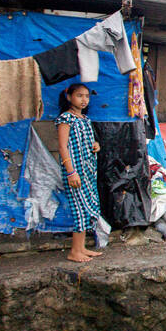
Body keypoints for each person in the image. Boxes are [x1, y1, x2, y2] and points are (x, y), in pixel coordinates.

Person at [56, 83, 102, 263]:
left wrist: (95, 146)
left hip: (88, 170)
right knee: (79, 209)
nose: (84, 100)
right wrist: (70, 171)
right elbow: (62, 146)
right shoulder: (65, 119)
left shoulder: (84, 119)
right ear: (69, 97)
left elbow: (88, 142)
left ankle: (81, 247)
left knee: (86, 207)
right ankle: (74, 251)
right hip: (75, 171)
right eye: (79, 96)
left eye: (86, 96)